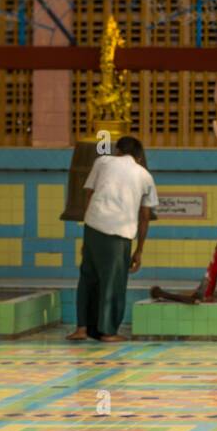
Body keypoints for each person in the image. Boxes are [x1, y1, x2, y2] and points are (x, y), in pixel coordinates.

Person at [66, 136, 158, 344]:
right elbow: (144, 217)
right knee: (113, 283)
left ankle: (82, 328)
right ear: (139, 156)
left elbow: (89, 195)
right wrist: (139, 250)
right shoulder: (144, 176)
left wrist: (88, 233)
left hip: (93, 226)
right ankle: (107, 331)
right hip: (119, 233)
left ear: (117, 151)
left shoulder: (102, 161)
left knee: (88, 278)